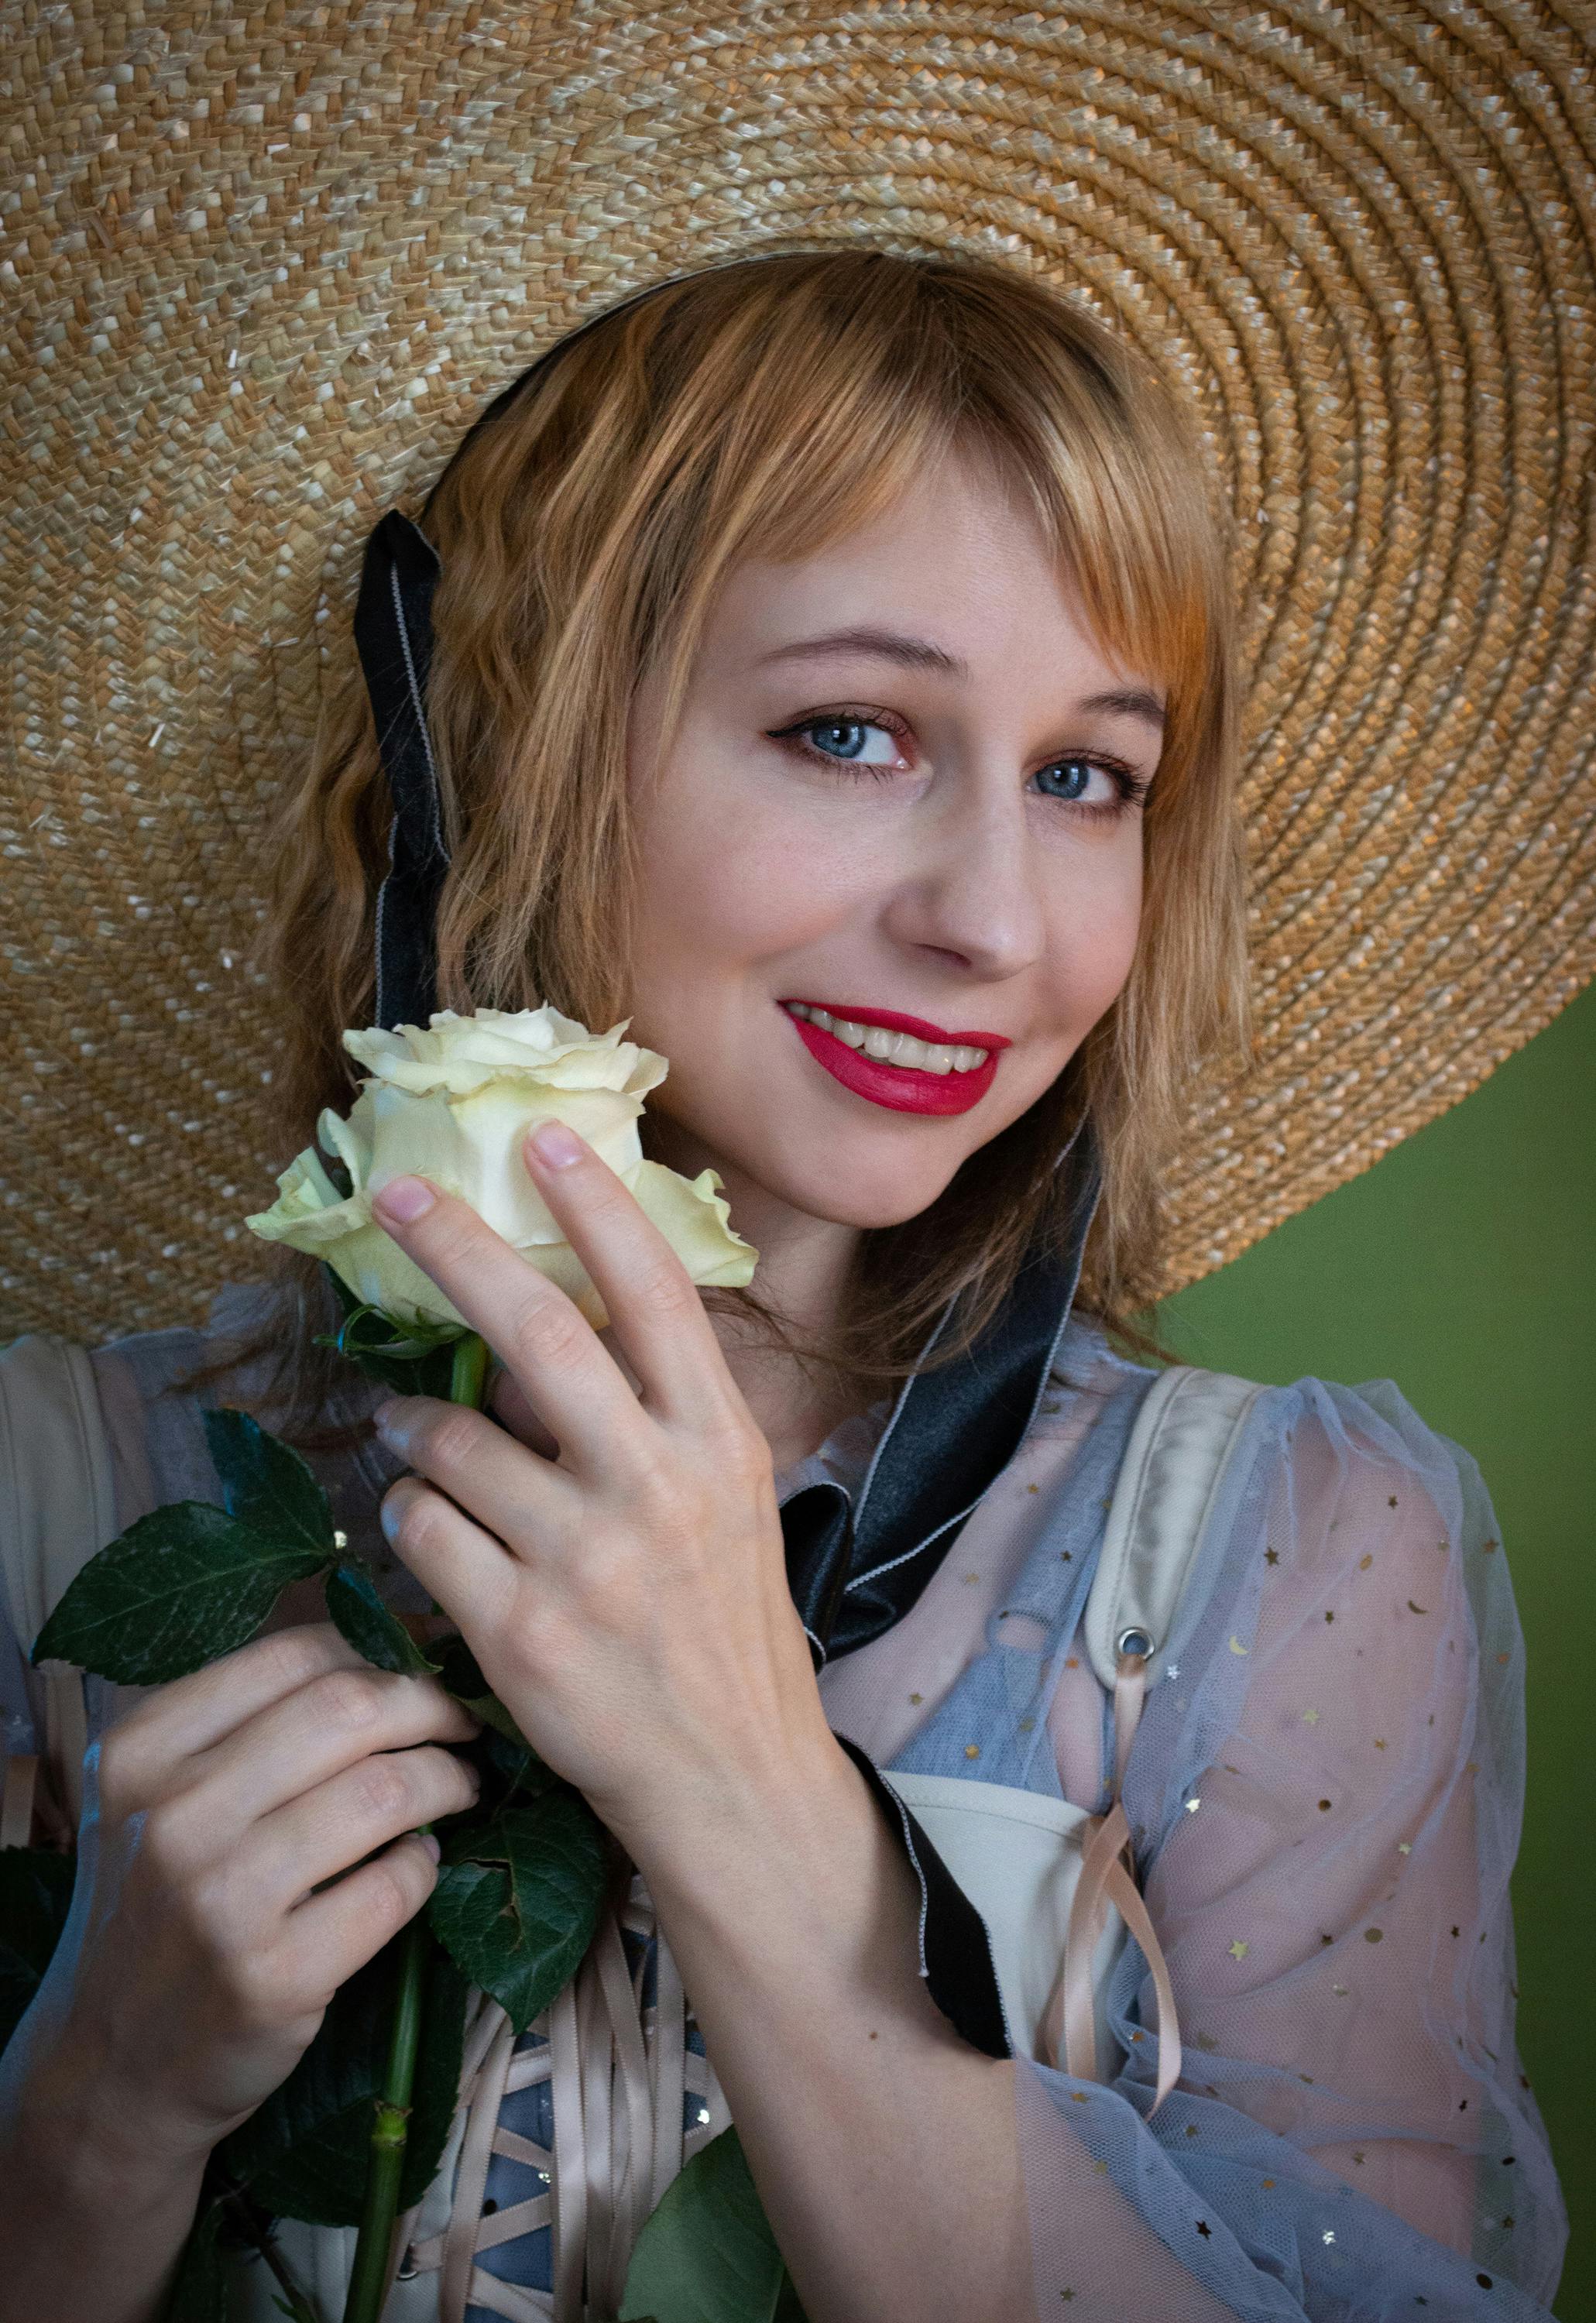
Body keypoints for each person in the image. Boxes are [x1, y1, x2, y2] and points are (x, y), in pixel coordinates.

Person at [0, 249, 1566, 2323]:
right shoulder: (54, 1499)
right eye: (850, 731)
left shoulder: (1293, 1570)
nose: (998, 920)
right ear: (512, 744)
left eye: (1088, 774)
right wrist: (90, 2119)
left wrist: (758, 1814)